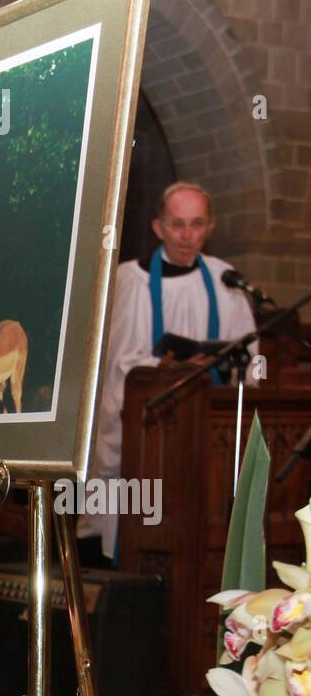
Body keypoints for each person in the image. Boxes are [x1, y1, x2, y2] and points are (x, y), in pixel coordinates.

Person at [80, 181, 257, 566]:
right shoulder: (132, 279)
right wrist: (169, 367)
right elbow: (115, 364)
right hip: (147, 434)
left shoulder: (227, 281)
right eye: (177, 224)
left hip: (206, 435)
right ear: (158, 227)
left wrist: (220, 366)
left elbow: (251, 358)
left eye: (196, 224)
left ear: (210, 227)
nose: (187, 235)